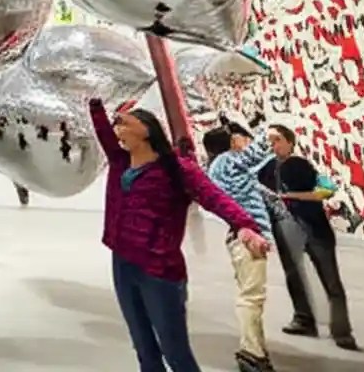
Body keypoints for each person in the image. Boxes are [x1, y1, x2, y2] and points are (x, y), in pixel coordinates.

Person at [89, 98, 270, 372]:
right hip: (123, 264)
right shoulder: (120, 162)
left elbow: (214, 197)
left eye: (125, 122)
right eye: (116, 123)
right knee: (144, 349)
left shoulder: (177, 168)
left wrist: (245, 225)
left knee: (175, 353)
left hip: (159, 270)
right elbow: (103, 130)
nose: (118, 127)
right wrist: (95, 106)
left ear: (147, 130)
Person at [257, 125, 357, 350]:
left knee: (330, 279)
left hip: (314, 227)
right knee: (294, 275)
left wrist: (291, 196)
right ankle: (303, 319)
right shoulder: (265, 169)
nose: (273, 145)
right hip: (285, 228)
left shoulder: (301, 165)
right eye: (269, 141)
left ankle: (342, 331)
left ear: (290, 142)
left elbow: (326, 190)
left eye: (278, 140)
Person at [203, 120, 277, 372]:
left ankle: (256, 349)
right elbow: (257, 152)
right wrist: (268, 130)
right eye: (236, 138)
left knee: (250, 294)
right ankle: (252, 354)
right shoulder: (227, 162)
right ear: (230, 143)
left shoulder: (218, 167)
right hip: (248, 238)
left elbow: (257, 174)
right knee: (251, 298)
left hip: (241, 237)